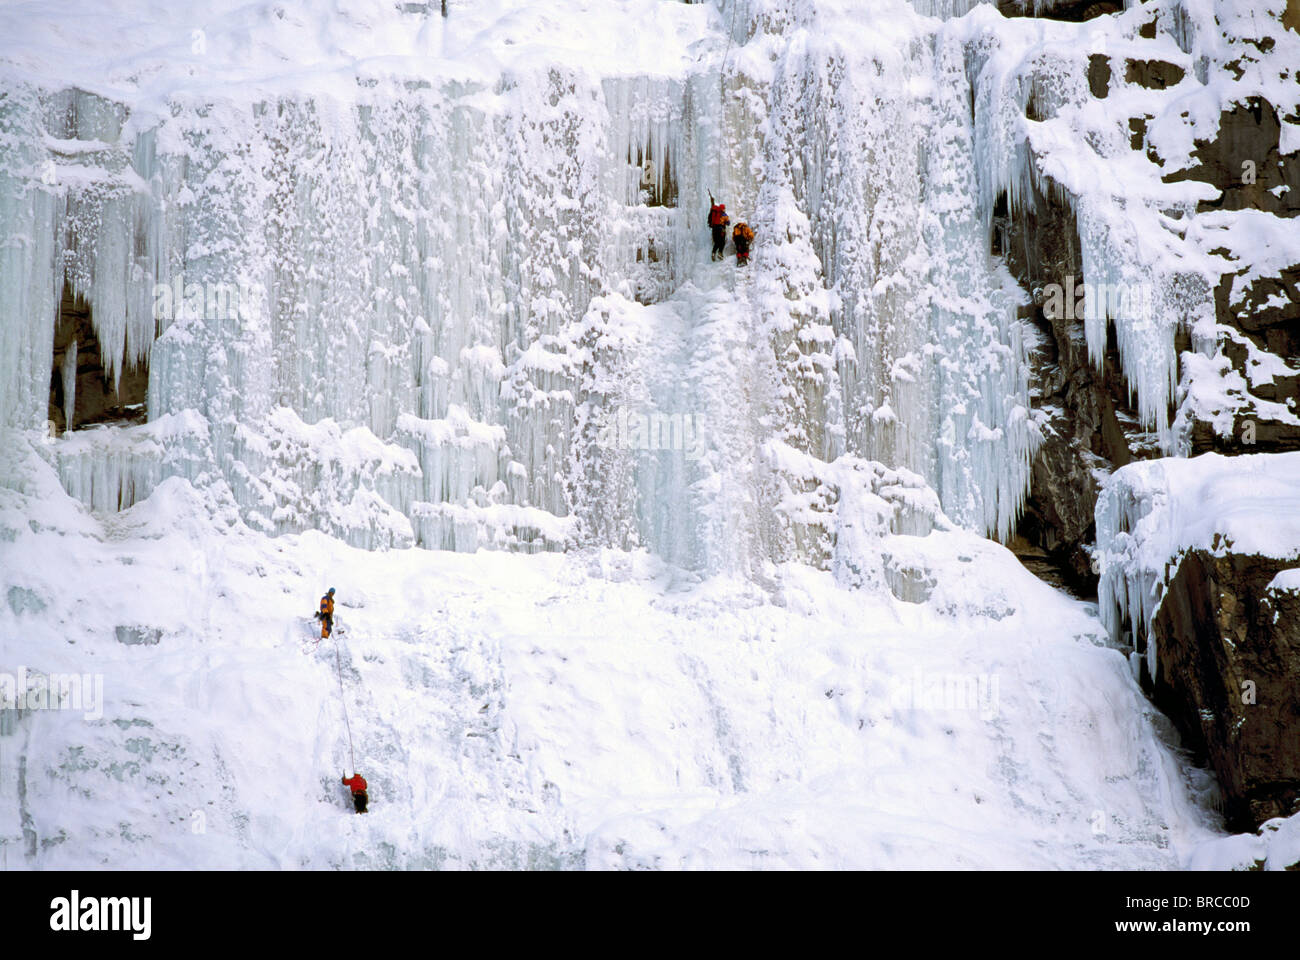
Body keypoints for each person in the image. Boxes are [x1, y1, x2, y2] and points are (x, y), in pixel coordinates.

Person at [708, 195, 730, 261]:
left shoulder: (715, 211)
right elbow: (728, 223)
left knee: (717, 242)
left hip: (714, 229)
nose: (724, 209)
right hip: (721, 229)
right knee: (722, 242)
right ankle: (720, 253)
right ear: (723, 208)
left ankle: (713, 253)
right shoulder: (723, 214)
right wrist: (726, 222)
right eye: (724, 208)